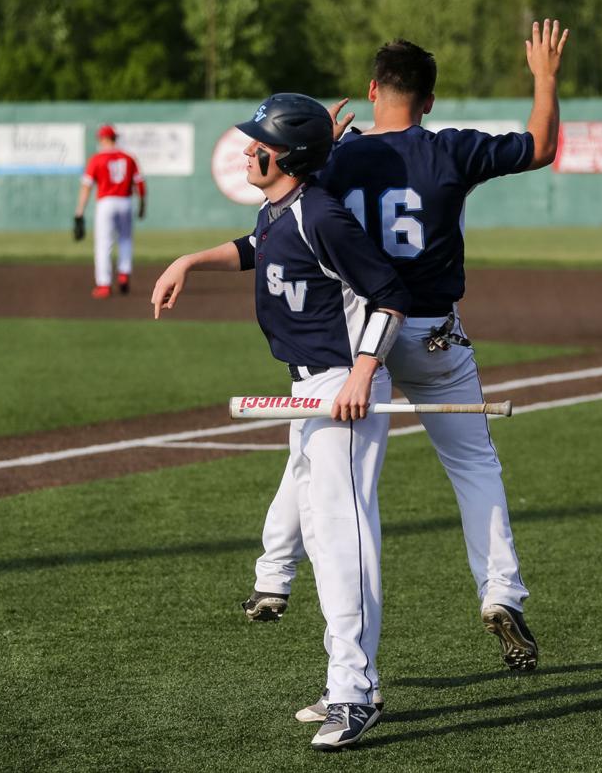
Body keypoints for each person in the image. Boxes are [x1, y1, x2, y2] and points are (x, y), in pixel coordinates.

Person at [240, 22, 568, 692]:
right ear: (430, 100)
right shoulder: (449, 148)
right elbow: (540, 147)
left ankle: (275, 573)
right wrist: (545, 77)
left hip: (363, 337)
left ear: (372, 90)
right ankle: (500, 589)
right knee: (473, 464)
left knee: (315, 452)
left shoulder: (339, 159)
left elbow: (290, 206)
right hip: (434, 335)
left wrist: (325, 146)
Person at [151, 94, 410, 750]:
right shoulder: (282, 208)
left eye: (259, 142)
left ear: (287, 157)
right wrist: (189, 261)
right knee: (316, 527)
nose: (246, 149)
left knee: (342, 540)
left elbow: (390, 295)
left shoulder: (321, 214)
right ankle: (347, 672)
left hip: (340, 386)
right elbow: (257, 246)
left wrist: (361, 373)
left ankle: (354, 692)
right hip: (309, 388)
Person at [74, 124, 145, 298]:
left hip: (106, 203)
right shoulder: (129, 158)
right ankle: (124, 274)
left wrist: (79, 212)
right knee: (125, 239)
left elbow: (86, 187)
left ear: (103, 139)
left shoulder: (96, 159)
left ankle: (104, 285)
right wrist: (142, 204)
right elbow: (140, 184)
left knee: (103, 243)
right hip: (125, 202)